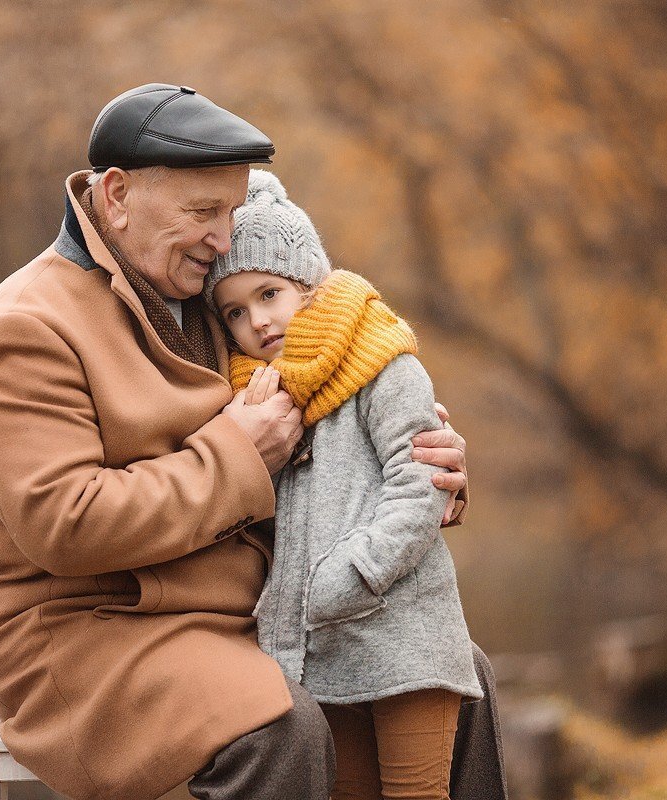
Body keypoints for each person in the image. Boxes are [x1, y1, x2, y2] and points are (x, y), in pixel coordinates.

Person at [0, 83, 506, 800]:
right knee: (281, 725)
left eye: (234, 212)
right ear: (117, 196)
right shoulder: (26, 327)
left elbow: (343, 416)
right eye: (204, 212)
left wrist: (423, 472)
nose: (224, 237)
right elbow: (66, 522)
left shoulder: (224, 302)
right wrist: (238, 456)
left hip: (250, 616)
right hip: (93, 638)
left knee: (457, 671)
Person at [206, 169, 483, 799]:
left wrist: (349, 575)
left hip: (404, 632)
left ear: (308, 283)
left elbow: (421, 483)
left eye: (270, 294)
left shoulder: (381, 361)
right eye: (236, 311)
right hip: (323, 649)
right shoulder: (260, 401)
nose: (259, 321)